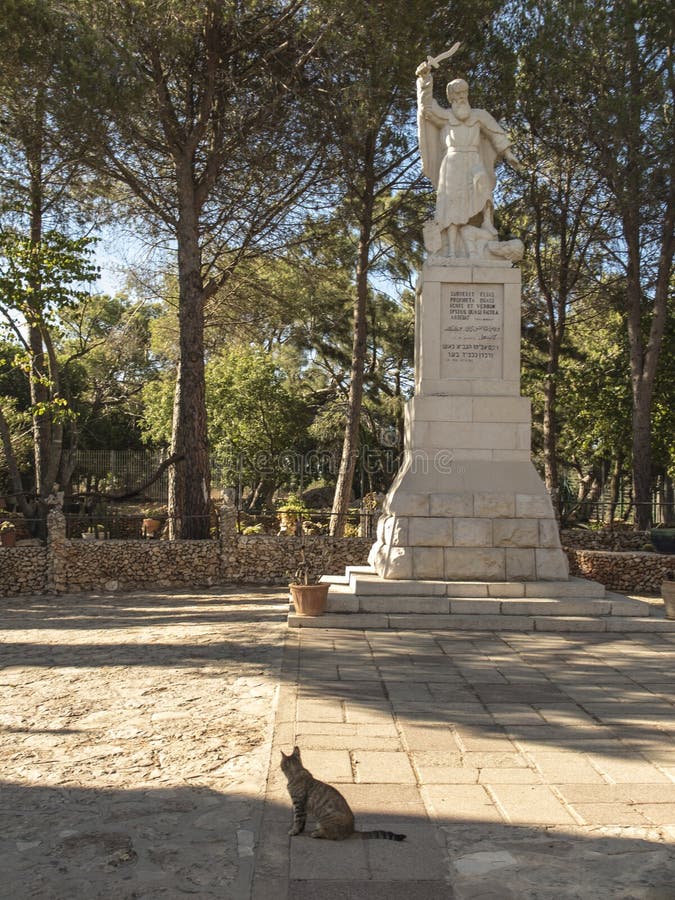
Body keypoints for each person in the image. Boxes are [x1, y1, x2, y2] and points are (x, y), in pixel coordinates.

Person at [416, 60, 520, 258]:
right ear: (451, 98)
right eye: (456, 95)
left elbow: (495, 132)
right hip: (452, 163)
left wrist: (508, 154)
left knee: (484, 184)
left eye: (463, 94)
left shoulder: (479, 115)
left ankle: (487, 223)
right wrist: (425, 79)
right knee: (453, 208)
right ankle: (452, 251)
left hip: (473, 160)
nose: (461, 98)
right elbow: (426, 108)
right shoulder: (444, 116)